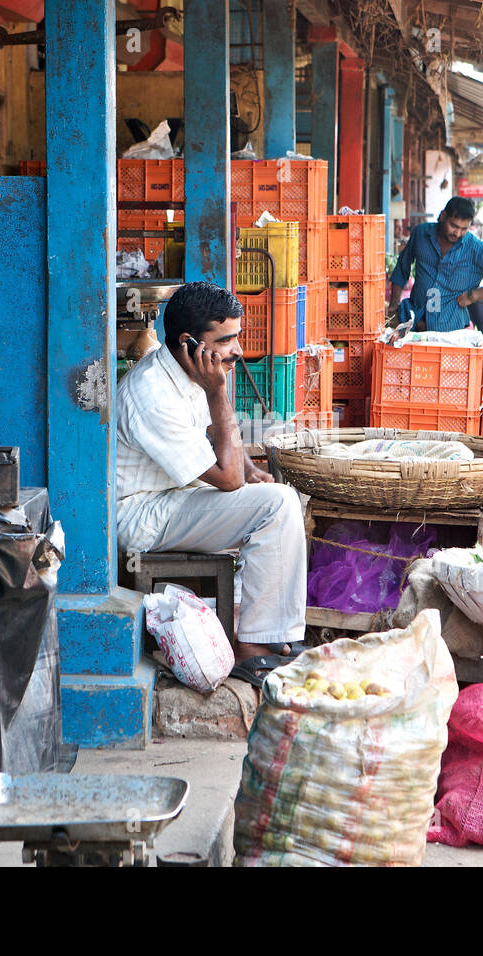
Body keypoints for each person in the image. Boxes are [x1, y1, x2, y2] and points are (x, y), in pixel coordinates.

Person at [115, 281, 306, 685]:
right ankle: (252, 646)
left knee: (278, 498)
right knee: (277, 505)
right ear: (189, 343)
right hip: (140, 514)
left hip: (174, 497)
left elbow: (215, 450)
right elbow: (229, 477)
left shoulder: (183, 371)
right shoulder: (152, 392)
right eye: (227, 339)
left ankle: (269, 633)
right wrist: (220, 393)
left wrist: (251, 473)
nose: (237, 349)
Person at [386, 197, 483, 333]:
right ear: (444, 216)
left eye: (464, 229)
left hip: (450, 331)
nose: (457, 233)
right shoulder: (421, 234)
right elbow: (402, 269)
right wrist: (393, 306)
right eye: (454, 226)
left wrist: (473, 296)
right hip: (413, 323)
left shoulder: (476, 248)